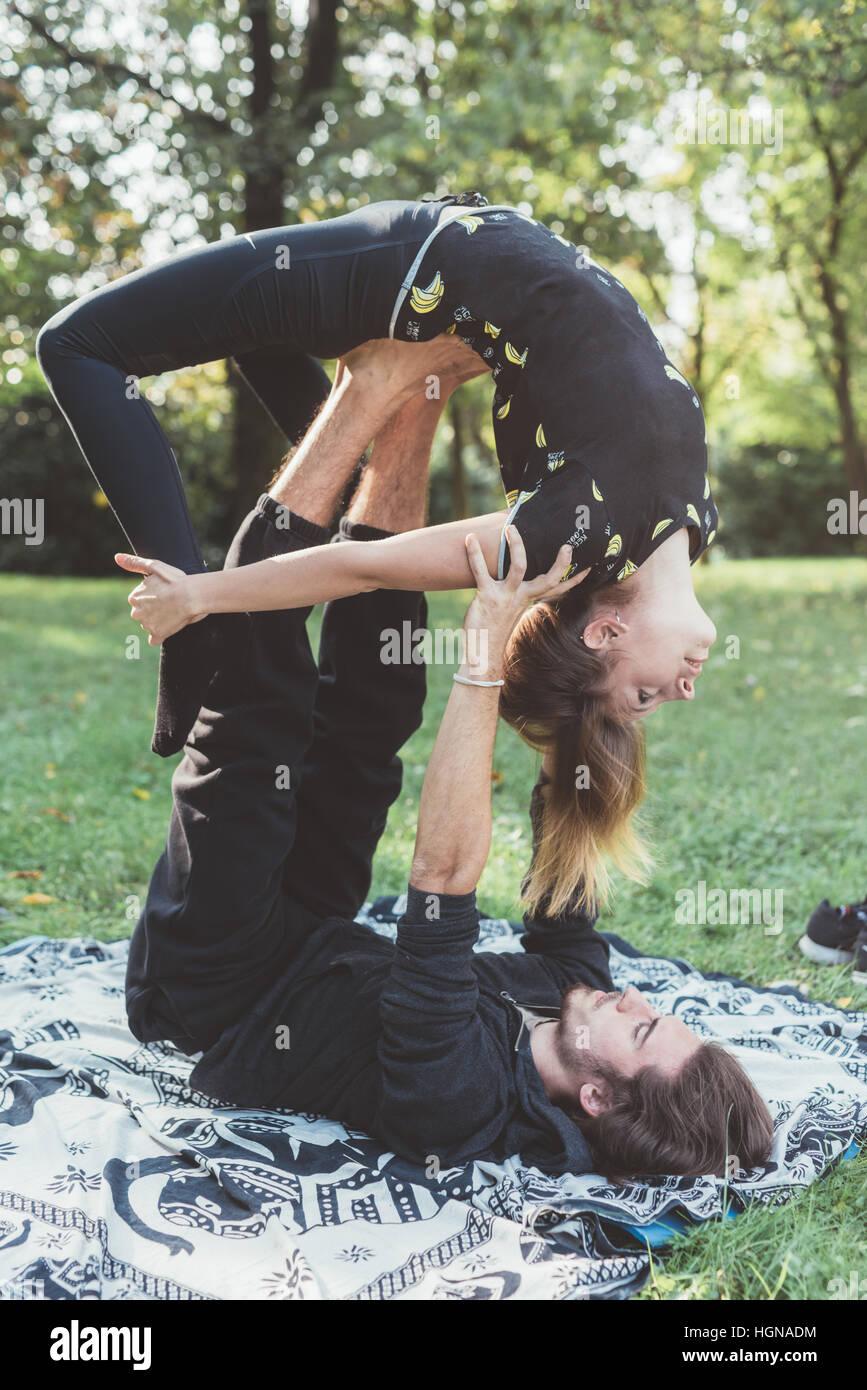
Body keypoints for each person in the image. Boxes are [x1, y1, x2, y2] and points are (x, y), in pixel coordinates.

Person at [38, 189, 718, 914]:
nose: (685, 690)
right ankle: (205, 616)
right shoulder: (673, 528)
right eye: (643, 701)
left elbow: (358, 569)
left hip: (404, 269)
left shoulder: (572, 541)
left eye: (644, 695)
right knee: (156, 334)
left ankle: (194, 615)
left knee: (76, 344)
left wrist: (195, 594)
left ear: (604, 631)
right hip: (423, 258)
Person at [125, 433, 772, 1181]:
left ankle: (356, 415)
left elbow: (441, 876)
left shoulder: (461, 1102)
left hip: (219, 990)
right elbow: (567, 855)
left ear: (595, 1096)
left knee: (260, 724)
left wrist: (484, 660)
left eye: (641, 1027)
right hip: (320, 928)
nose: (630, 996)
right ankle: (409, 411)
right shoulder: (572, 997)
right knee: (377, 714)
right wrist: (594, 690)